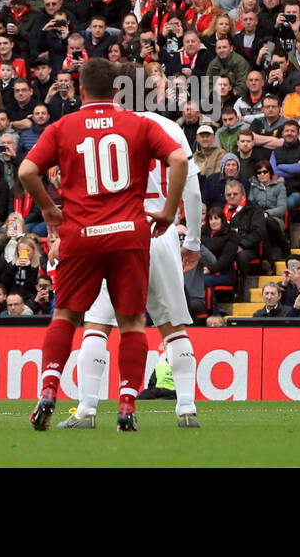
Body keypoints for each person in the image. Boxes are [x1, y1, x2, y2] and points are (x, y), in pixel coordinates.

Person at [17, 58, 187, 432]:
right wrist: (168, 212)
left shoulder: (63, 127)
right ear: (117, 91)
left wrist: (49, 210)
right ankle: (127, 404)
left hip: (82, 235)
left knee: (67, 316)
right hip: (129, 233)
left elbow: (27, 171)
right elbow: (178, 160)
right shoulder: (139, 124)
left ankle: (48, 390)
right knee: (131, 323)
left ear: (80, 90)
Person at [61, 108, 204, 429]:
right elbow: (192, 190)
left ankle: (87, 409)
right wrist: (192, 241)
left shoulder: (98, 129)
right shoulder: (169, 127)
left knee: (98, 324)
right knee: (172, 326)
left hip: (112, 231)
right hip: (161, 231)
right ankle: (186, 408)